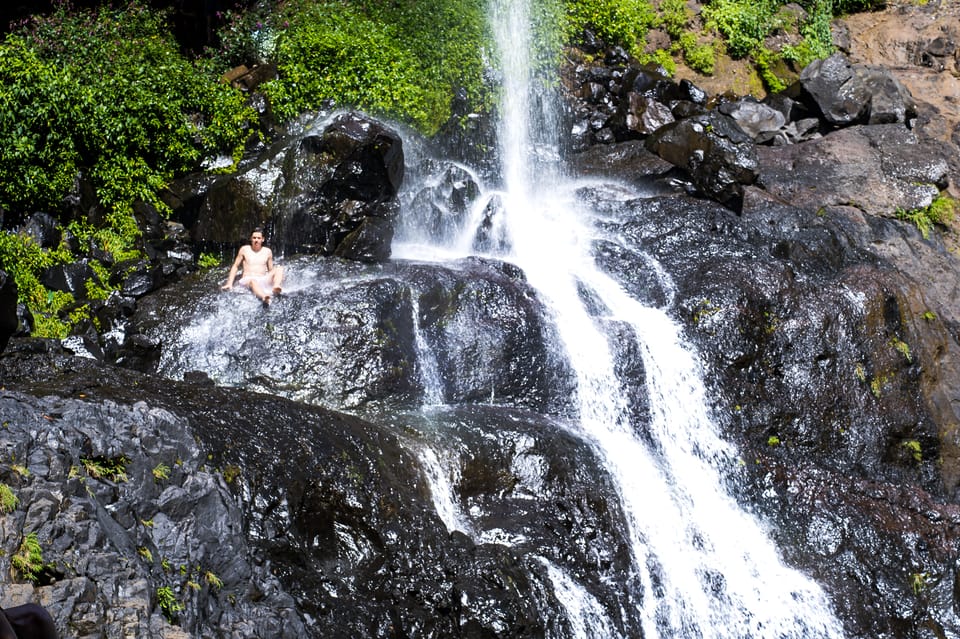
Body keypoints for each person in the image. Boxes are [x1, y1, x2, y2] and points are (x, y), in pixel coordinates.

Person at [221, 227, 284, 305]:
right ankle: (264, 297)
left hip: (262, 279)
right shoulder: (244, 249)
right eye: (254, 238)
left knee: (279, 268)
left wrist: (278, 278)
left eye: (258, 238)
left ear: (263, 239)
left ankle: (276, 286)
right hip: (248, 280)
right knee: (253, 281)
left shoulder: (268, 251)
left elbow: (271, 270)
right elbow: (235, 266)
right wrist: (229, 283)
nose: (256, 240)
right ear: (251, 239)